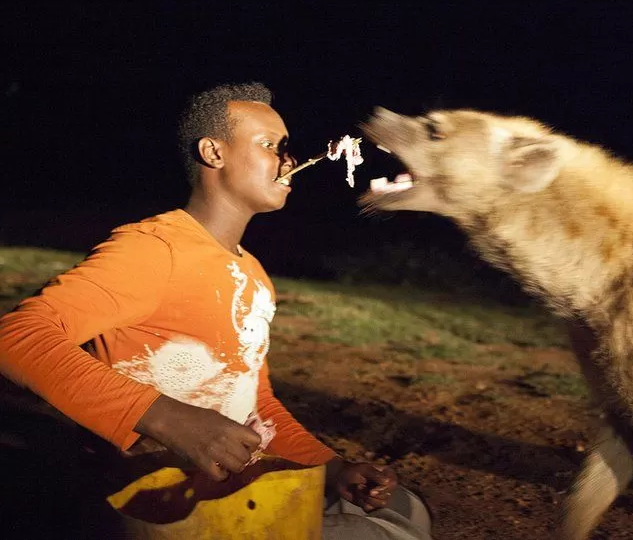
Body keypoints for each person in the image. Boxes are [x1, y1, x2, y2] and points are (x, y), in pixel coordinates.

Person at [0, 82, 433, 539]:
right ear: (213, 152)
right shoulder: (157, 248)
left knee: (407, 507)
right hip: (163, 498)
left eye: (287, 148)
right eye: (270, 146)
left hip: (236, 487)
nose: (288, 160)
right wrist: (165, 418)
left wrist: (331, 467)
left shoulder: (255, 275)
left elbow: (254, 405)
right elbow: (16, 336)